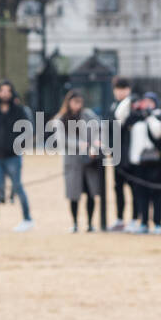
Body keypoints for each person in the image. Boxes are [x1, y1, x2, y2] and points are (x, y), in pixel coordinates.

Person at [0, 79, 34, 233]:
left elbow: (29, 130)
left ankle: (27, 219)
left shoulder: (19, 110)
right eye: (1, 91)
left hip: (13, 156)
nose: (4, 94)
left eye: (7, 91)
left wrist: (19, 145)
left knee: (17, 187)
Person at [52, 89, 103, 232]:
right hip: (73, 161)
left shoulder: (88, 115)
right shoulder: (61, 119)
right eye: (75, 102)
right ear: (68, 102)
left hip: (89, 160)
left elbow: (98, 129)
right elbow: (61, 140)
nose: (77, 105)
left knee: (91, 193)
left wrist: (95, 145)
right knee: (74, 194)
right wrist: (79, 144)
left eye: (79, 102)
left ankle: (90, 223)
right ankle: (74, 223)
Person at [124, 91, 161, 233]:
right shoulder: (135, 118)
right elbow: (119, 117)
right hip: (138, 163)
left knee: (156, 193)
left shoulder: (159, 116)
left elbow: (158, 133)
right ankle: (143, 222)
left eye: (150, 102)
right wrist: (129, 101)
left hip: (155, 162)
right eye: (145, 101)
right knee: (140, 194)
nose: (147, 105)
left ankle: (158, 223)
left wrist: (149, 117)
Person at [107, 76, 133, 231]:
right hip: (117, 154)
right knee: (118, 187)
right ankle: (120, 218)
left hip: (129, 155)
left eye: (123, 89)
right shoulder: (113, 106)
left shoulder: (131, 105)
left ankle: (136, 219)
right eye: (117, 89)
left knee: (134, 187)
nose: (120, 92)